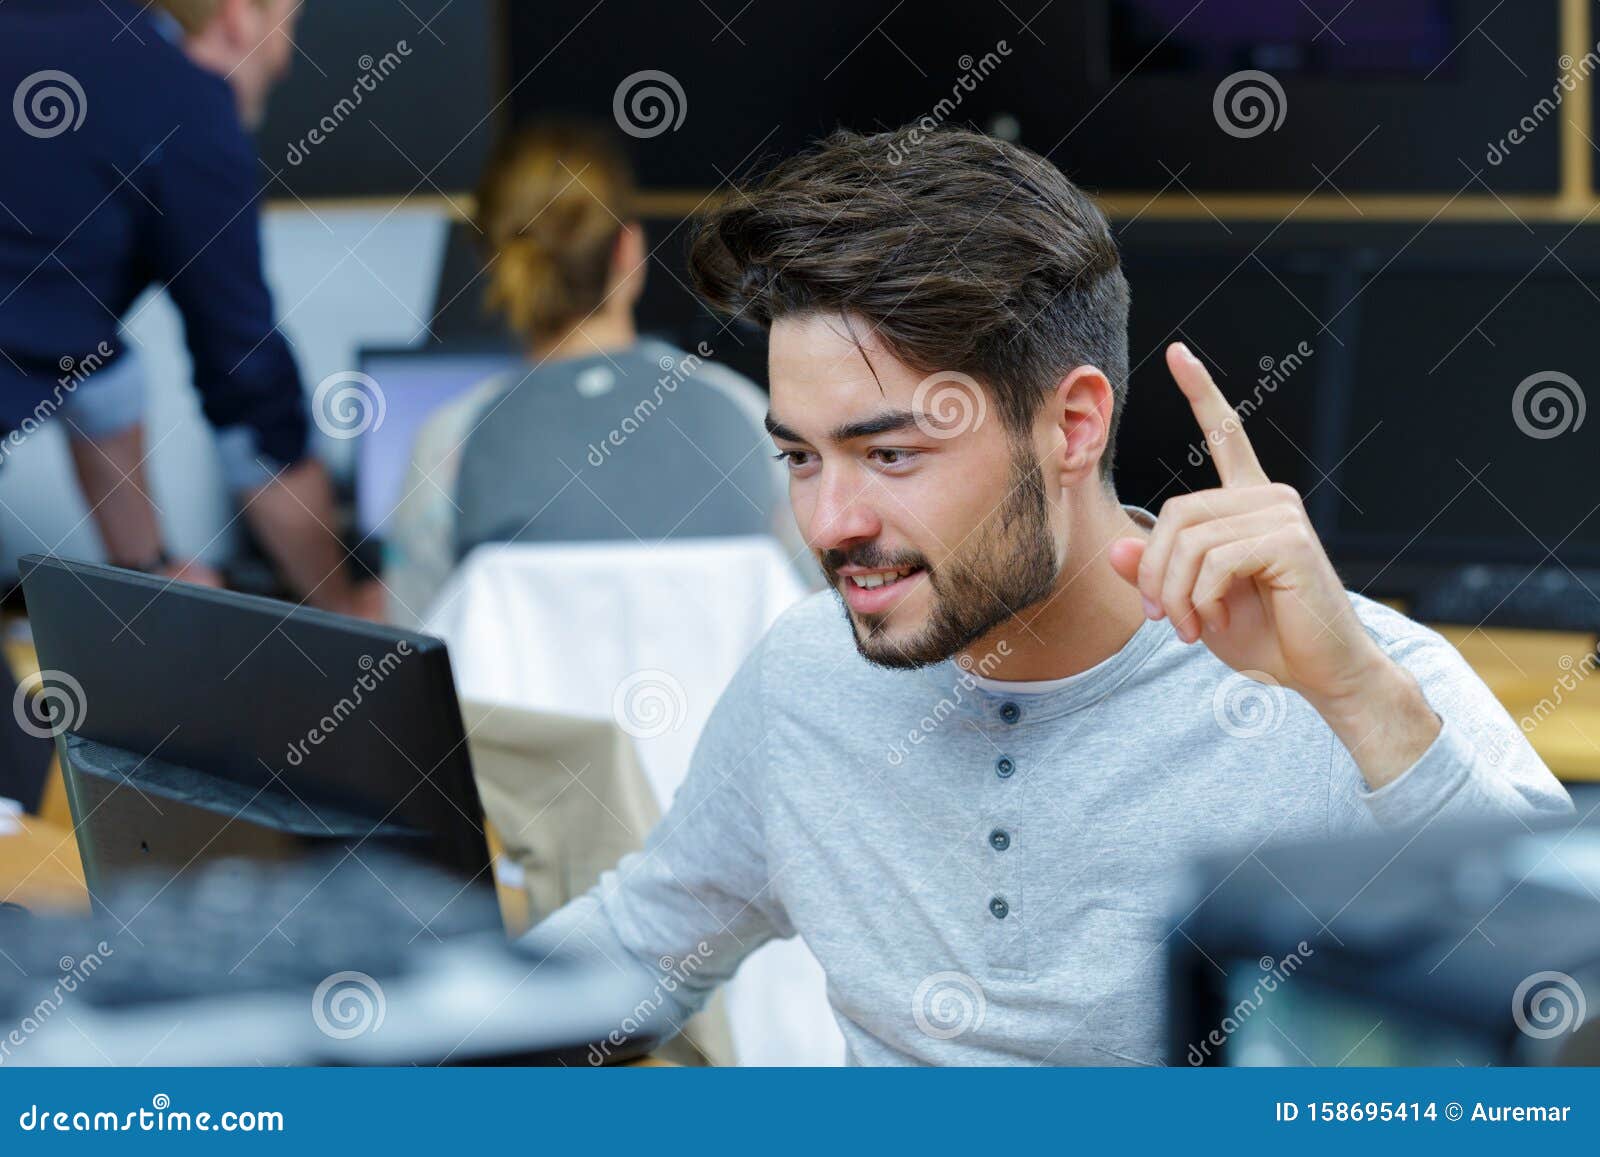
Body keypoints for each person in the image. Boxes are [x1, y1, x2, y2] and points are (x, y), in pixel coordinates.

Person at [521, 126, 1574, 1066]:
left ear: (1071, 427)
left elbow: (1562, 1030)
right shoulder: (803, 677)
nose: (829, 521)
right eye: (800, 456)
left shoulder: (1346, 684)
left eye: (890, 453)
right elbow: (631, 952)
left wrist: (1359, 700)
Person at [0, 0, 367, 612]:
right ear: (237, 18)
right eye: (287, 29)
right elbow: (251, 393)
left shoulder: (49, 40)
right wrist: (351, 622)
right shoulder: (187, 108)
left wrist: (148, 575)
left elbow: (87, 361)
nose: (285, 62)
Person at [383, 119, 795, 627]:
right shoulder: (749, 418)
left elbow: (417, 641)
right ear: (629, 250)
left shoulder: (450, 445)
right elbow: (811, 616)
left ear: (493, 265)